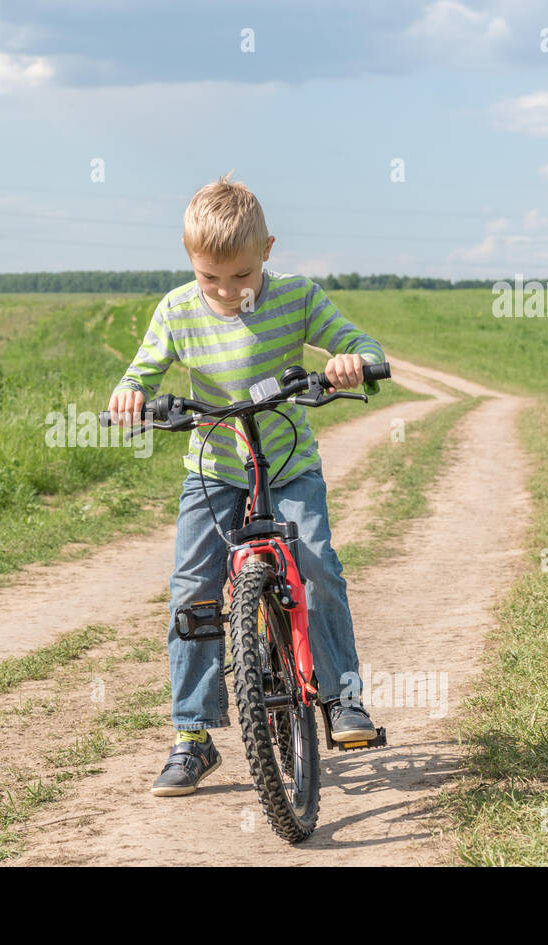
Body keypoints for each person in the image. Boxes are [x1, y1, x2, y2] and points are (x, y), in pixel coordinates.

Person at [108, 172, 387, 796]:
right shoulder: (178, 310)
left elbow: (359, 343)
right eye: (211, 277)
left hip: (287, 464)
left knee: (315, 564)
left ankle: (342, 699)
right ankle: (192, 736)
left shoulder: (298, 297)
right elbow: (142, 370)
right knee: (192, 591)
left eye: (240, 275)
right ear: (190, 262)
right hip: (214, 470)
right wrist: (131, 394)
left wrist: (351, 362)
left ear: (267, 251)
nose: (227, 291)